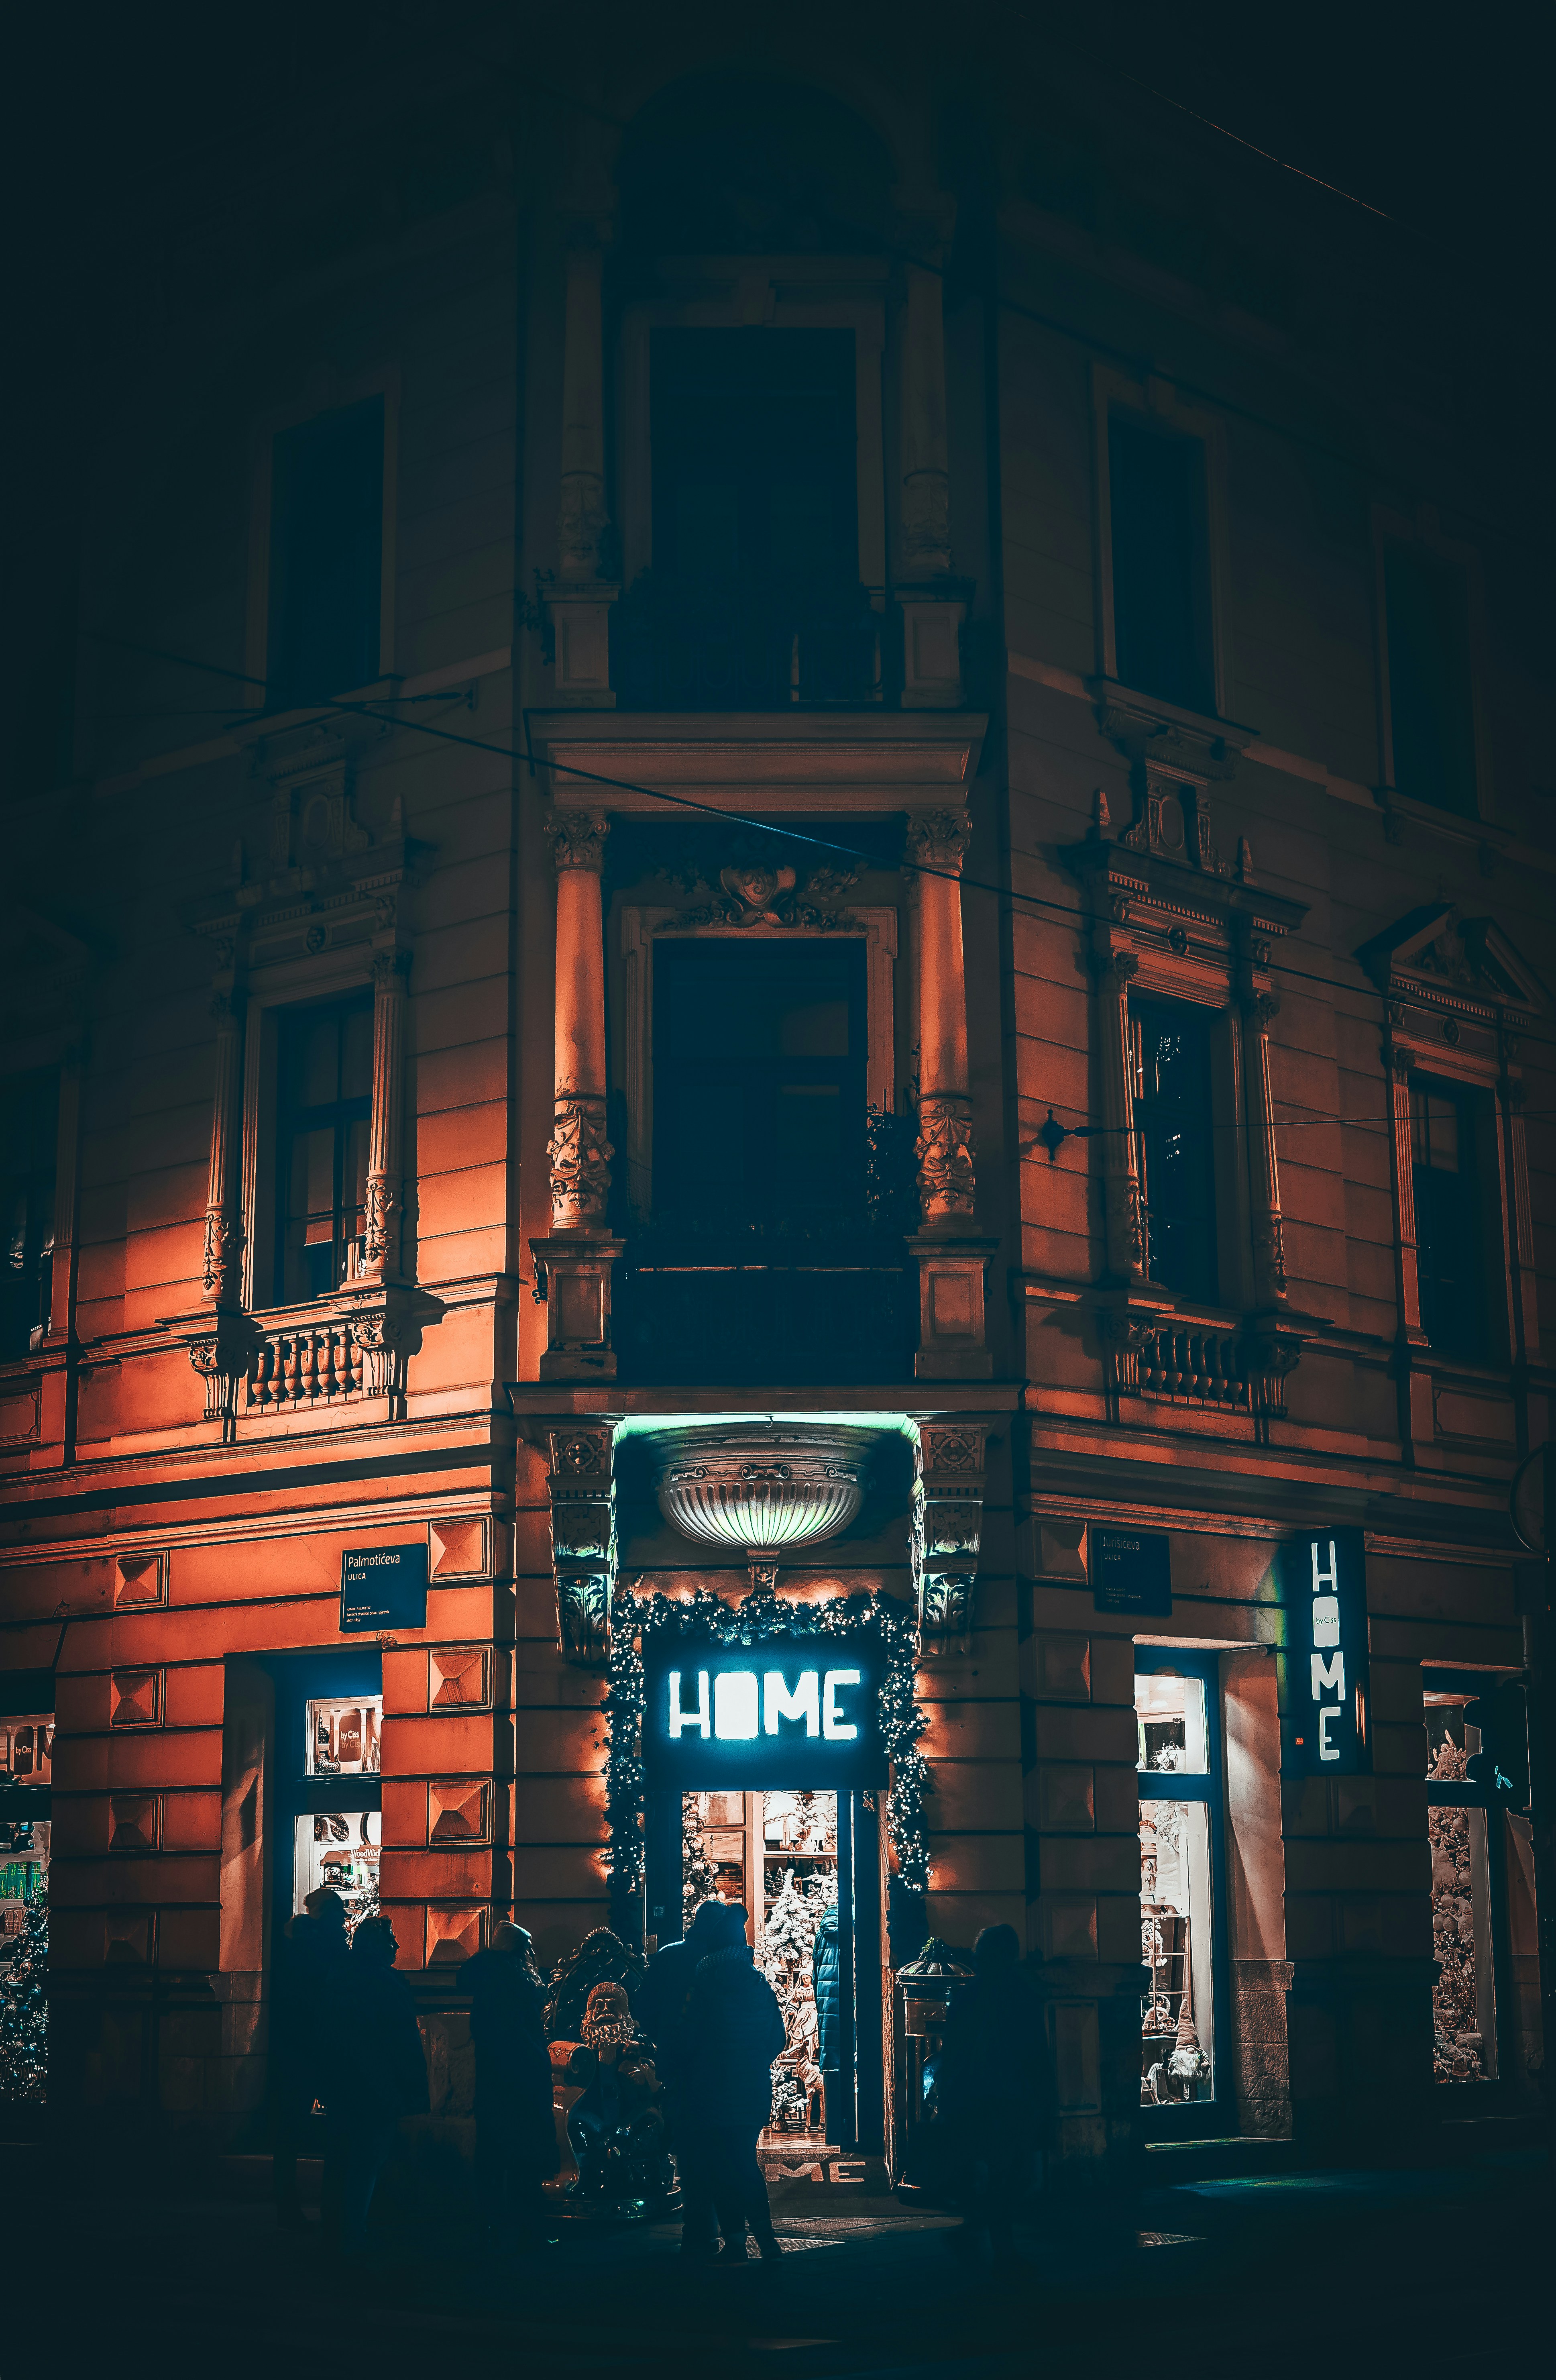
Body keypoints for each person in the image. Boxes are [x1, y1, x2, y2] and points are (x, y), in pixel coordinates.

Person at [673, 1900, 786, 2263]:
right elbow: (777, 2038)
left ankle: (737, 2242)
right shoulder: (758, 1984)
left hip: (711, 2088)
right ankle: (766, 2239)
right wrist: (752, 2062)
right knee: (744, 2160)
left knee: (721, 2164)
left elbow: (689, 2038)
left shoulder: (703, 1984)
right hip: (751, 2087)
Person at [638, 1897, 750, 2259]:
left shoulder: (671, 1956)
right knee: (729, 2155)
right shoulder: (732, 1966)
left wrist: (665, 2046)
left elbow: (645, 2008)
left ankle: (697, 2230)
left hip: (683, 2070)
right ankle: (736, 2234)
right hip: (725, 2074)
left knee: (691, 2152)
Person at [934, 1923, 1051, 2264]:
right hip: (1011, 2094)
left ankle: (979, 2229)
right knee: (1007, 2169)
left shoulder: (969, 1996)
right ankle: (999, 2244)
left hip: (979, 2093)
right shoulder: (1023, 1994)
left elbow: (953, 2049)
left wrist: (949, 2087)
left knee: (989, 2165)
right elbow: (1036, 2051)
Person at [319, 1915, 430, 2252]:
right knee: (367, 2158)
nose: (397, 1945)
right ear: (377, 1945)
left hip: (344, 2084)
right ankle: (354, 2231)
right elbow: (404, 2043)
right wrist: (413, 2087)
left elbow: (324, 2034)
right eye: (391, 1940)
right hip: (376, 2086)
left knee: (341, 2157)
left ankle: (335, 2231)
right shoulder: (387, 1984)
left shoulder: (338, 1978)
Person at [462, 1920, 559, 2254]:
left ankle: (492, 2226)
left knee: (494, 2155)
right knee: (523, 2156)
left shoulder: (490, 1978)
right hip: (521, 2079)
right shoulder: (517, 1980)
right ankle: (526, 2228)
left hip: (497, 2080)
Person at [270, 1886, 350, 2229]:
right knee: (337, 2125)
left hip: (296, 2045)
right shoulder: (326, 1948)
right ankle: (332, 2206)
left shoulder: (292, 1944)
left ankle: (289, 2203)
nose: (344, 1925)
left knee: (291, 2128)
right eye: (339, 1918)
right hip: (318, 2045)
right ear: (329, 1917)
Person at [810, 1902, 841, 2135]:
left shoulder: (821, 1936)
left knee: (831, 2056)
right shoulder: (852, 1933)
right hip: (847, 1999)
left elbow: (815, 1971)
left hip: (827, 1999)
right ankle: (848, 2124)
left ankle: (832, 2127)